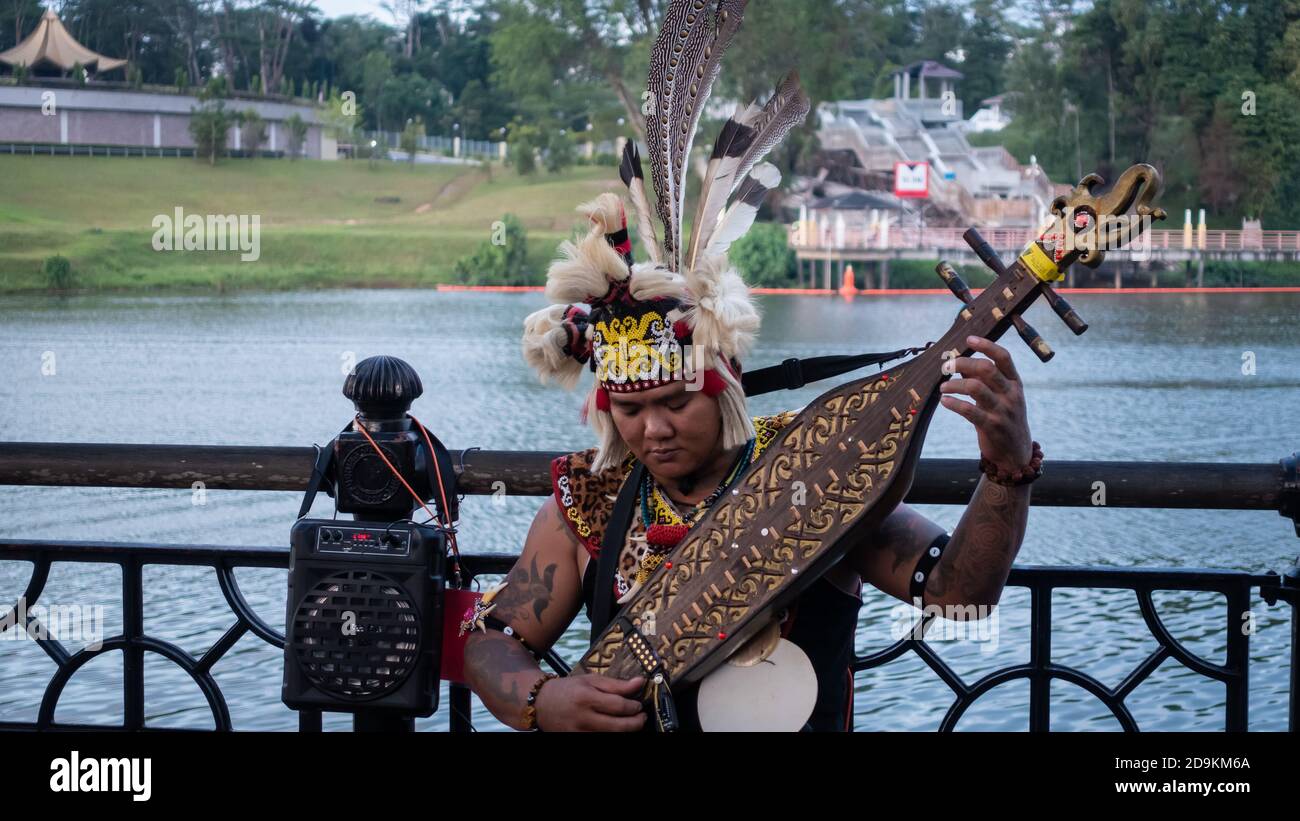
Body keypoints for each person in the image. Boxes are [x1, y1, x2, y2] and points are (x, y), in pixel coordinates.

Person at [462, 192, 1042, 732]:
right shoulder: (588, 500)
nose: (654, 429)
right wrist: (543, 699)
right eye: (631, 410)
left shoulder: (813, 471)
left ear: (727, 387)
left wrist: (1007, 469)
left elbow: (956, 593)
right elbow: (493, 638)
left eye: (676, 402)